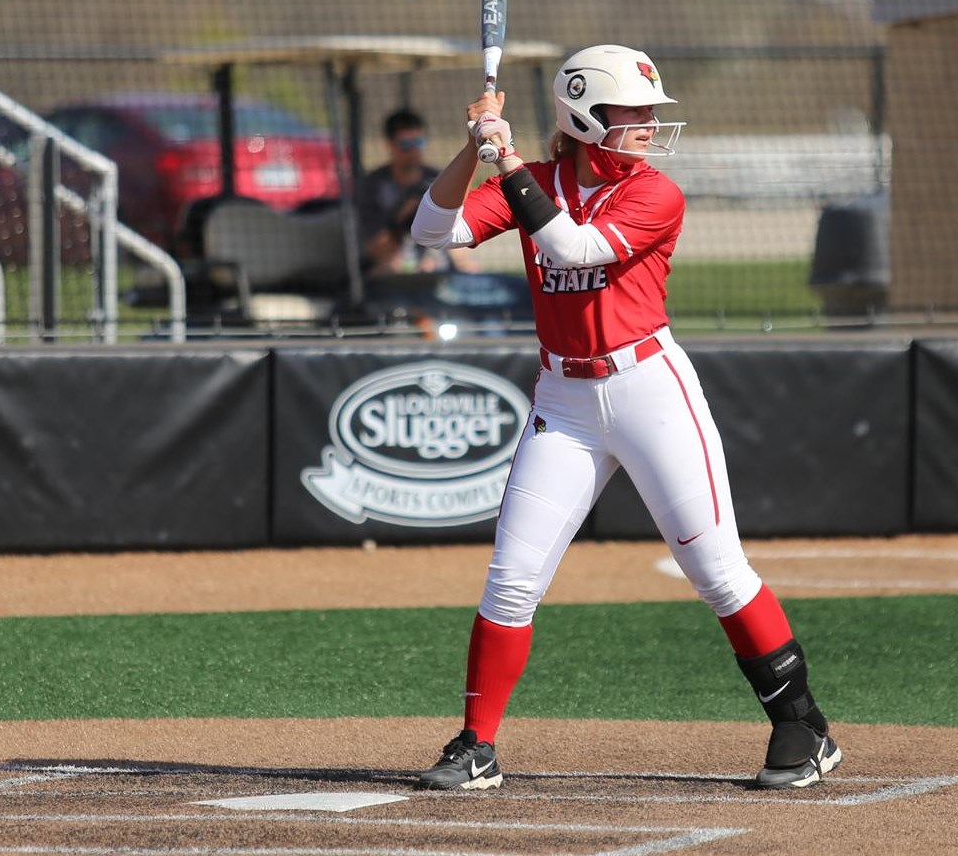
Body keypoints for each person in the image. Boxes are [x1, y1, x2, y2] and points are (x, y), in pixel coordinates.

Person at [408, 44, 839, 790]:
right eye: (630, 112)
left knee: (716, 572)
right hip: (563, 400)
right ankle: (475, 743)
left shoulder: (655, 193)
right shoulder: (535, 179)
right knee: (510, 581)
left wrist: (505, 163)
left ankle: (803, 727)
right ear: (583, 116)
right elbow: (432, 231)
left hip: (648, 388)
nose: (646, 124)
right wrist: (472, 145)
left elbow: (572, 244)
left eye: (648, 112)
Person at [355, 109, 471, 275]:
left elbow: (459, 236)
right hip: (395, 261)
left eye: (418, 143)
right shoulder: (373, 186)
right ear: (390, 145)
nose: (413, 151)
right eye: (406, 145)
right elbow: (377, 248)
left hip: (437, 257)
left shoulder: (438, 179)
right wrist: (402, 219)